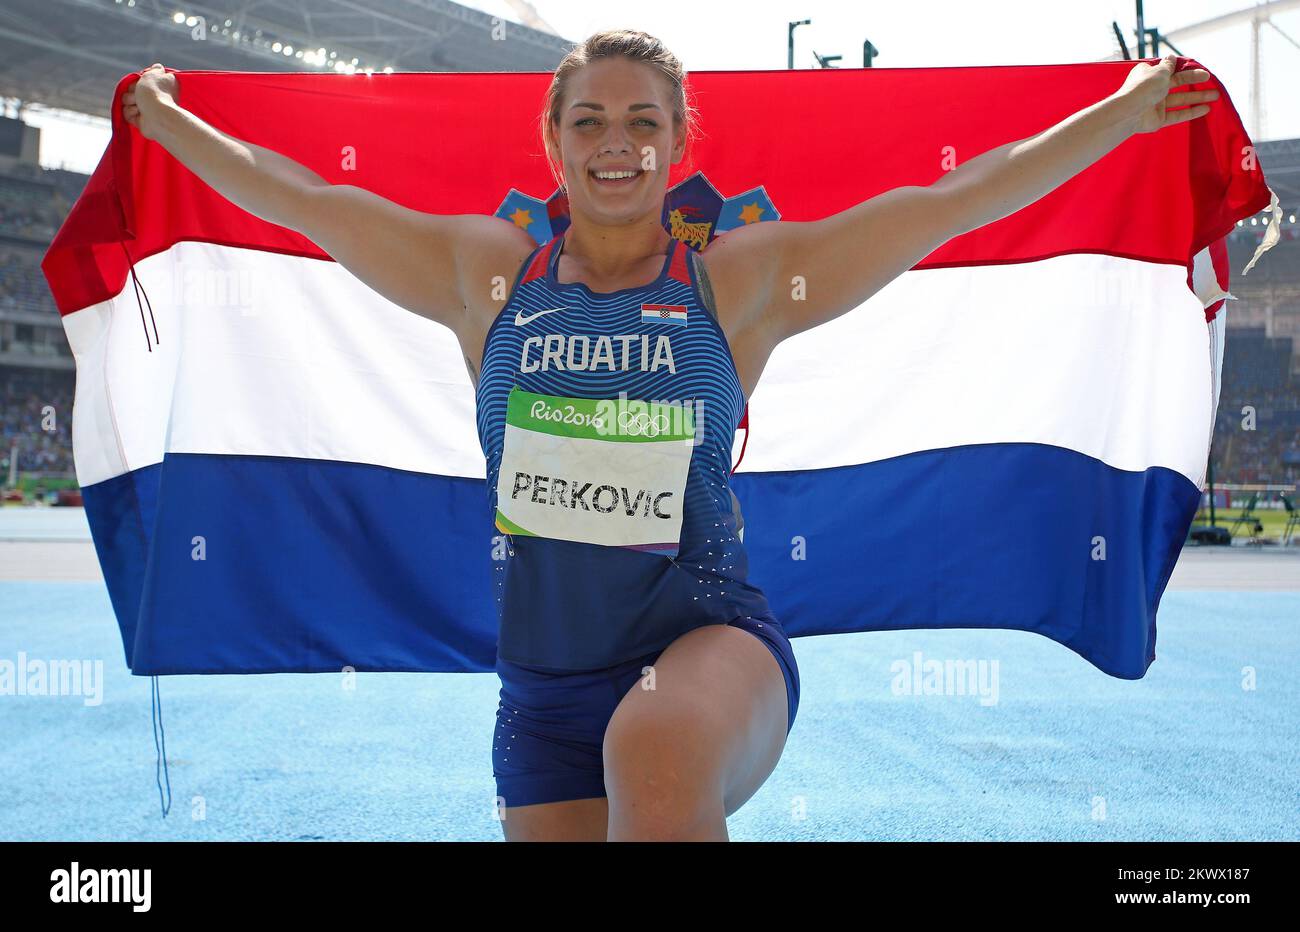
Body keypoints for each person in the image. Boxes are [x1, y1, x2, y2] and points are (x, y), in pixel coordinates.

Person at [122, 29, 1217, 842]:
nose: (615, 143)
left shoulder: (736, 282)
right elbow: (300, 196)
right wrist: (167, 123)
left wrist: (1118, 114)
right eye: (589, 120)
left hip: (705, 647)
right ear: (551, 142)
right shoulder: (485, 279)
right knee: (615, 757)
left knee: (649, 742)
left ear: (677, 142)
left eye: (643, 121)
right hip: (542, 689)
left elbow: (951, 201)